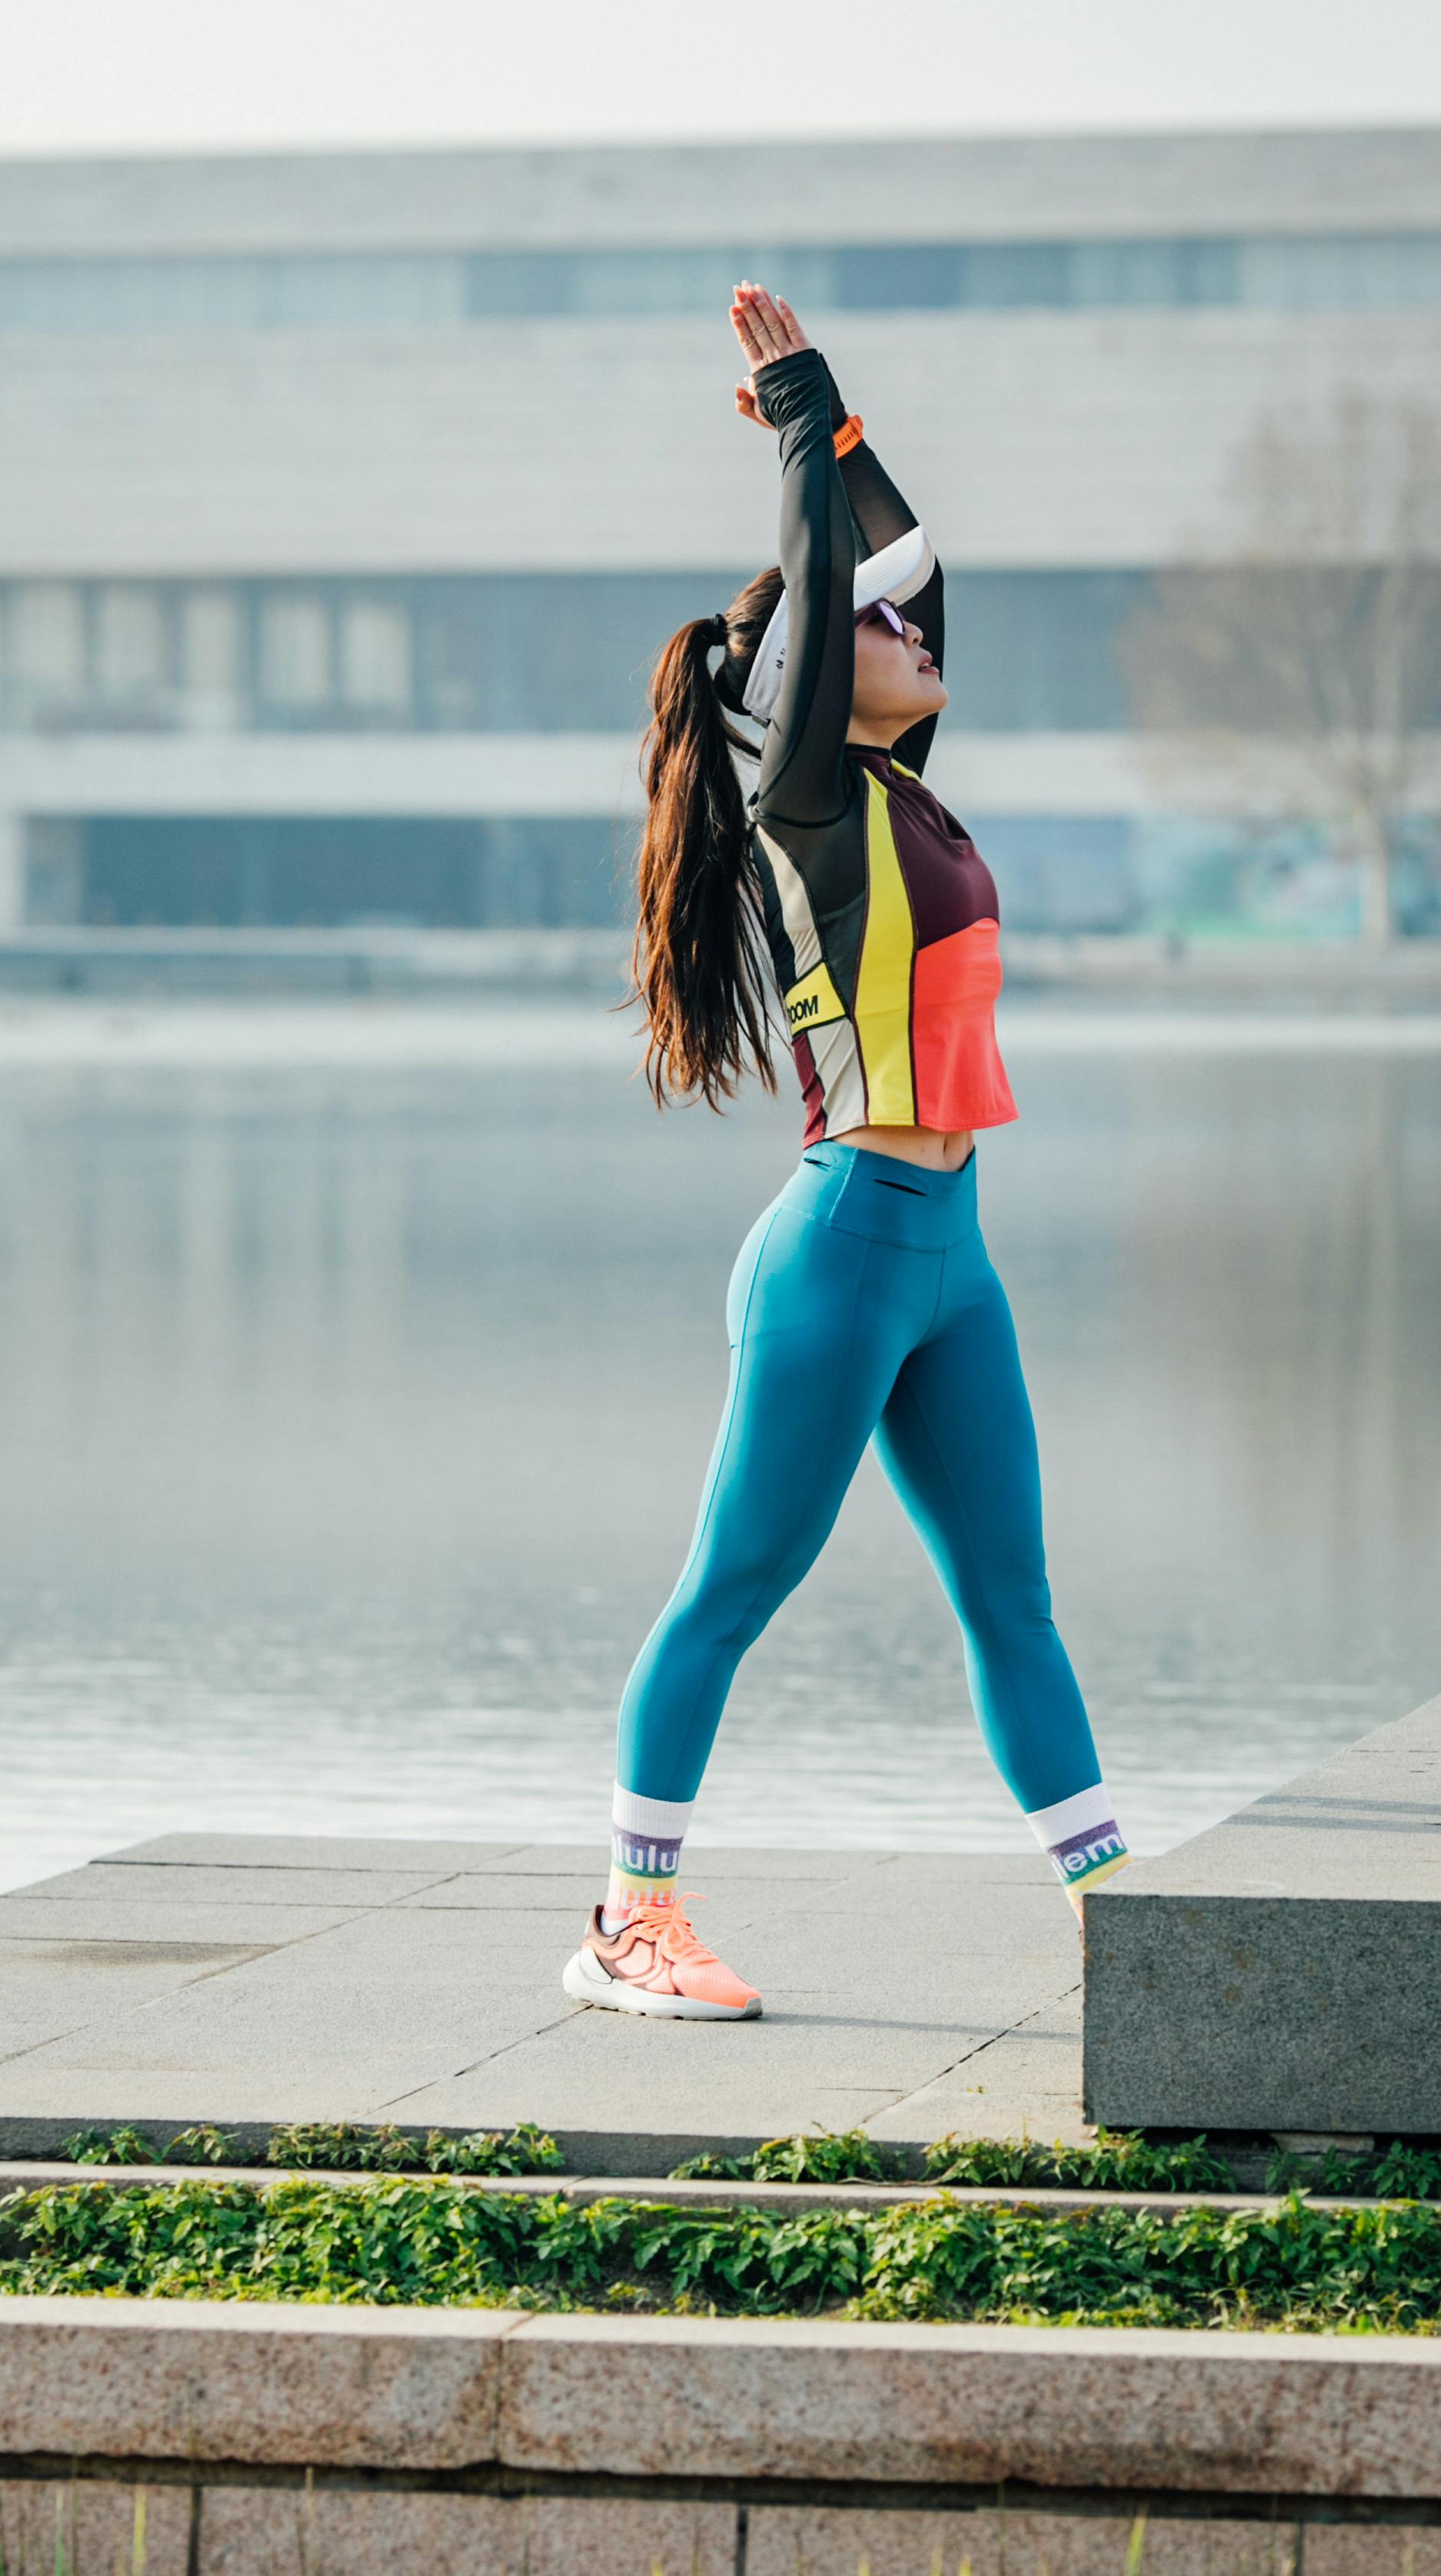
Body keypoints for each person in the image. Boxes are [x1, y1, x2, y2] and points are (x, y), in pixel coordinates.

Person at [561, 285, 1127, 2023]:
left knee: (1015, 1601)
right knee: (734, 1586)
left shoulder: (914, 782)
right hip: (838, 1253)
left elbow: (912, 561)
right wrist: (799, 425)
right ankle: (625, 1921)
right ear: (811, 669)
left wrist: (848, 427)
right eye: (871, 626)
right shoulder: (812, 794)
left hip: (949, 1251)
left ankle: (1124, 1921)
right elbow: (835, 576)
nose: (910, 623)